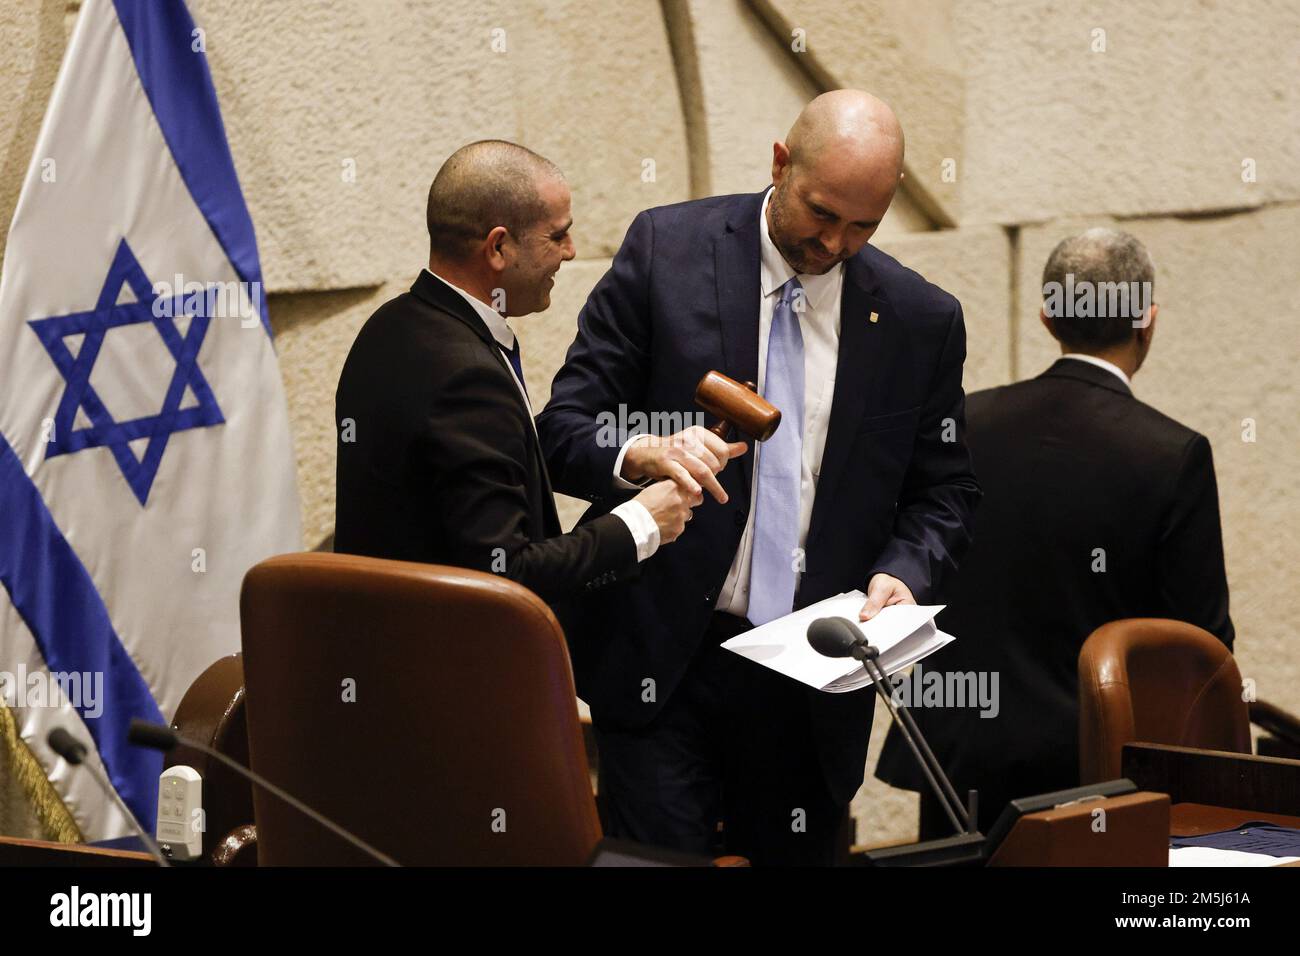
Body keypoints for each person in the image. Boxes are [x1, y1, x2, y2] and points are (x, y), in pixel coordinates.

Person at [537, 91, 980, 864]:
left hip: (813, 673)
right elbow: (563, 429)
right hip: (665, 657)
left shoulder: (919, 318)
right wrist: (639, 453)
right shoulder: (667, 250)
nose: (835, 242)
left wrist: (902, 574)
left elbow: (944, 493)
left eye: (863, 226)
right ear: (780, 163)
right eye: (820, 212)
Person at [876, 227, 1235, 839]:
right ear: (1148, 320)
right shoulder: (1172, 454)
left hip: (955, 757)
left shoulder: (967, 423)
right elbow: (1199, 645)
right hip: (1097, 774)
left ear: (1047, 318)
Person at [334, 140, 700, 609]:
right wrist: (642, 524)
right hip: (452, 666)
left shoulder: (388, 326)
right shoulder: (467, 378)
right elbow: (507, 572)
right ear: (498, 246)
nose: (571, 251)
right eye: (557, 235)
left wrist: (635, 455)